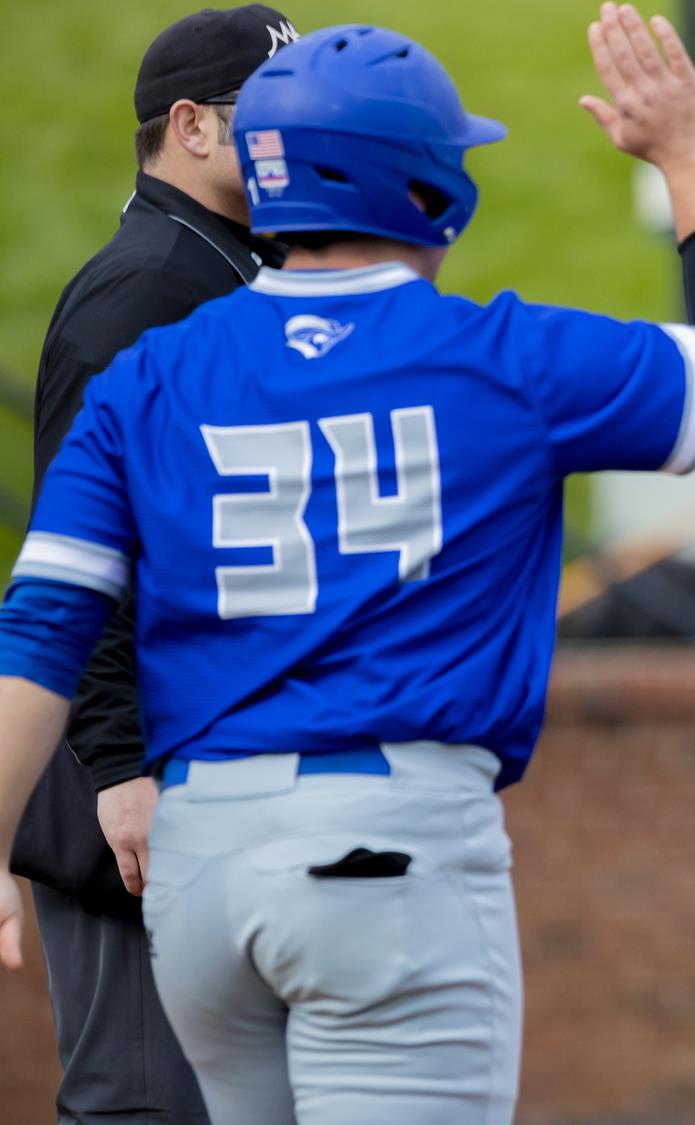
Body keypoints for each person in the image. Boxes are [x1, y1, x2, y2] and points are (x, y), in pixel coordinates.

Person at [0, 6, 695, 1122]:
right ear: (428, 183)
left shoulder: (158, 371)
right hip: (389, 851)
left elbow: (41, 625)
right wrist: (689, 159)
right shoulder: (498, 356)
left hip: (206, 863)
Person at [13, 7, 298, 1121]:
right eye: (270, 118)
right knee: (144, 1101)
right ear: (190, 126)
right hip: (131, 792)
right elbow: (75, 557)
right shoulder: (147, 290)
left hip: (205, 770)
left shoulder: (234, 268)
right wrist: (120, 767)